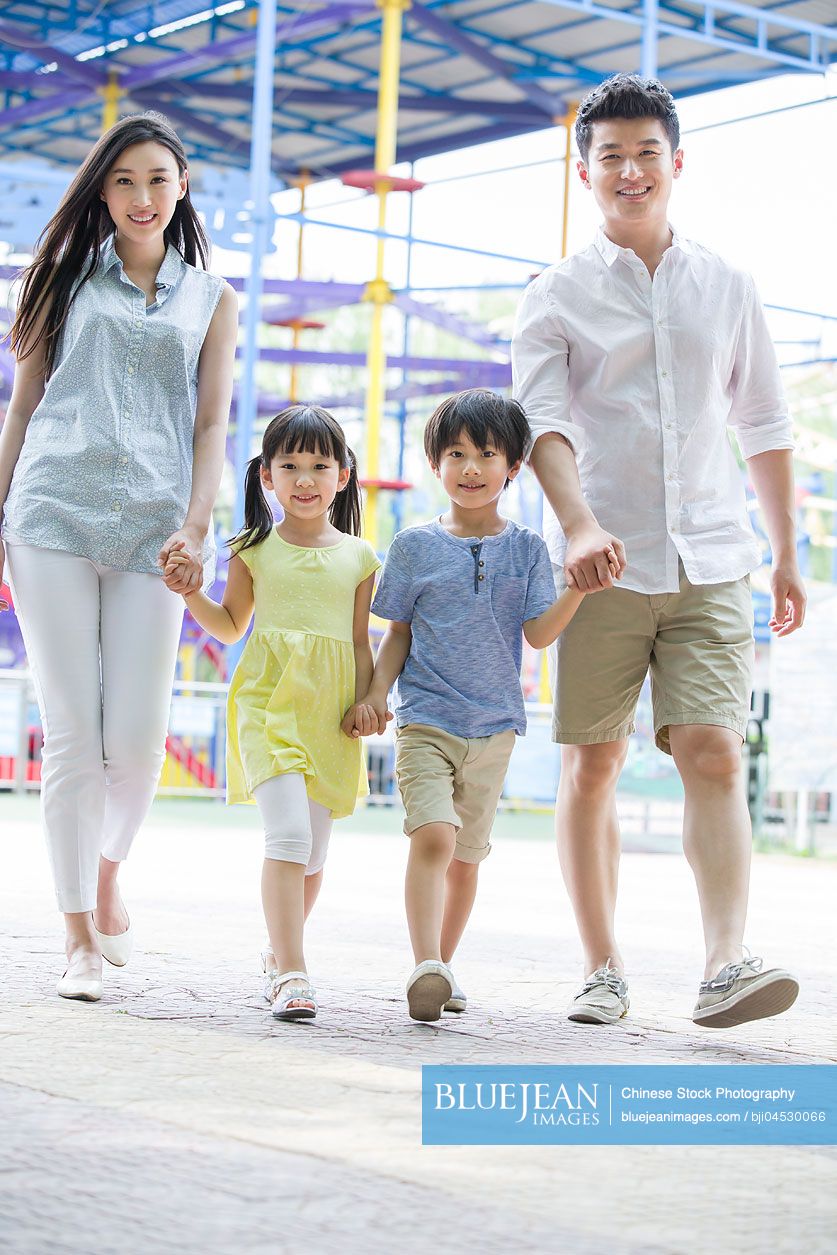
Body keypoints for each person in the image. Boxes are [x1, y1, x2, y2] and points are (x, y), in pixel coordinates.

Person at [512, 73, 805, 1028]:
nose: (629, 171)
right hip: (596, 567)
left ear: (675, 164)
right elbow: (543, 426)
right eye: (610, 157)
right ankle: (602, 967)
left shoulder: (726, 286)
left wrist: (786, 552)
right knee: (591, 766)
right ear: (583, 170)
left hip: (714, 559)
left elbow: (763, 421)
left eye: (646, 154)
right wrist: (579, 523)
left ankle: (726, 960)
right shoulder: (553, 295)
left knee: (714, 751)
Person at [0, 112, 238, 1002]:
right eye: (125, 181)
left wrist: (198, 521)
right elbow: (22, 408)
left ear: (182, 191)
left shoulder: (213, 299)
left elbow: (211, 421)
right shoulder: (59, 278)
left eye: (158, 181)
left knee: (136, 744)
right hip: (51, 513)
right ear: (103, 190)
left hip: (153, 532)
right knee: (73, 732)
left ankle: (106, 873)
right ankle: (75, 939)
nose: (142, 197)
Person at [344, 389, 604, 1022]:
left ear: (514, 466)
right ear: (436, 463)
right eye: (456, 453)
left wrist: (576, 587)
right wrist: (376, 693)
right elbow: (396, 632)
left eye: (487, 454)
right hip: (425, 719)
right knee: (434, 835)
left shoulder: (526, 551)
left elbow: (540, 635)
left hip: (495, 729)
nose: (471, 467)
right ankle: (424, 964)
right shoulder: (410, 547)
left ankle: (442, 969)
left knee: (465, 857)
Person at [164, 405, 380, 1021]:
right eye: (289, 465)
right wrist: (191, 597)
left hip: (332, 713)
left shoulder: (361, 558)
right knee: (286, 836)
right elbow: (231, 627)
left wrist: (369, 701)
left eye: (319, 465)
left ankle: (277, 954)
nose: (304, 479)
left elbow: (362, 642)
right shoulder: (252, 548)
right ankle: (291, 971)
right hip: (267, 704)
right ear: (266, 476)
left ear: (343, 475)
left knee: (312, 856)